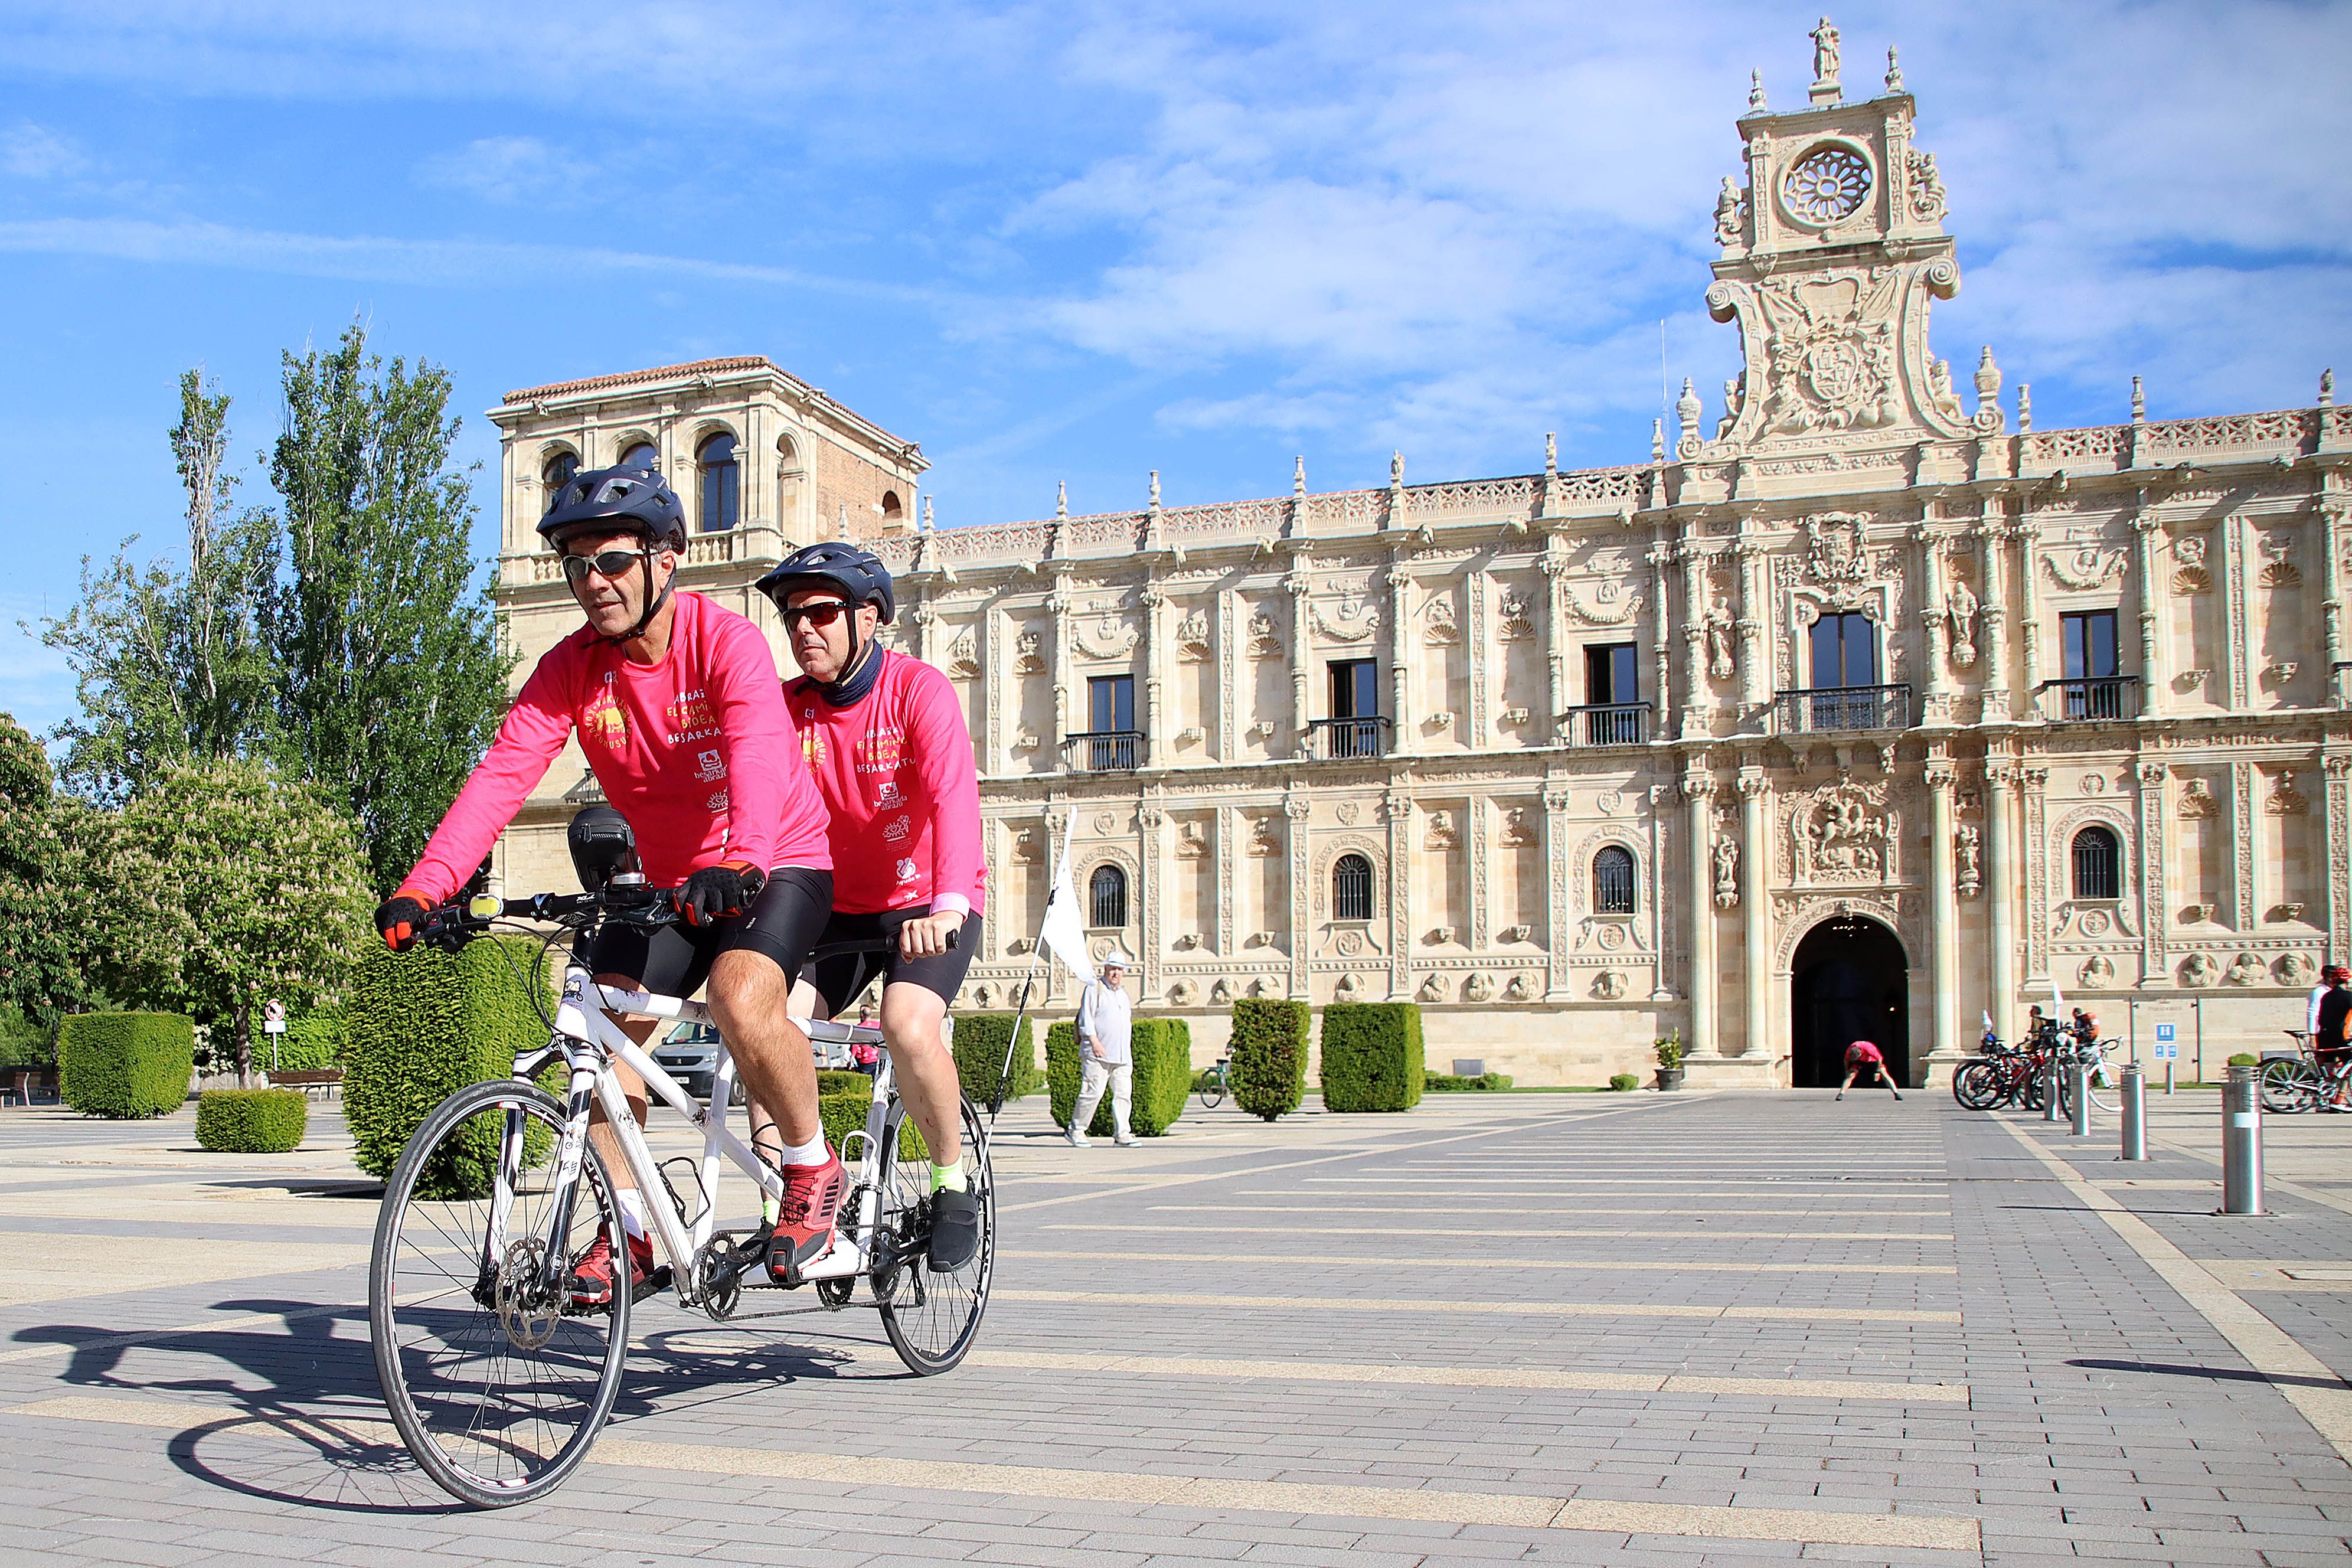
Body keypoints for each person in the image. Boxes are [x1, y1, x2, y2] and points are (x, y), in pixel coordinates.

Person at [374, 463, 845, 1304]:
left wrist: (740, 857)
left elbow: (760, 759)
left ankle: (812, 1165)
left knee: (742, 1000)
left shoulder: (725, 642)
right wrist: (429, 885)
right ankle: (631, 1230)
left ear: (668, 559)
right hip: (666, 881)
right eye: (577, 565)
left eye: (614, 561)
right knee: (594, 1042)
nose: (594, 582)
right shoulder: (573, 668)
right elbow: (502, 775)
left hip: (776, 860)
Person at [753, 542, 986, 1271]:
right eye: (792, 617)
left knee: (908, 1025)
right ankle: (789, 1197)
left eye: (821, 613)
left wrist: (947, 904)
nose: (803, 631)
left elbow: (953, 797)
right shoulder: (788, 710)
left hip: (925, 903)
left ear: (869, 618)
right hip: (837, 911)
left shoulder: (919, 690)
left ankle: (953, 1183)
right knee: (764, 1024)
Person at [1069, 953, 1135, 1146]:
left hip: (1122, 1055)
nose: (1116, 973)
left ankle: (1123, 1132)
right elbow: (1086, 1018)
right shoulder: (1094, 988)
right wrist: (1094, 1041)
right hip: (1098, 1054)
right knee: (1092, 1092)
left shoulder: (1123, 994)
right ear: (1105, 969)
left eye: (1119, 969)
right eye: (1113, 968)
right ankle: (1077, 1129)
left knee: (1123, 1094)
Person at [2316, 968, 2352, 1112]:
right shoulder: (2349, 997)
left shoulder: (2327, 996)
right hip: (2340, 1037)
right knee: (2348, 1065)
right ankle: (2339, 1100)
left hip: (2324, 1036)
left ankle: (2325, 1100)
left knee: (2329, 1070)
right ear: (2347, 981)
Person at [1835, 1038, 1901, 1101]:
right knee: (1851, 1076)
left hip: (1873, 1061)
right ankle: (1841, 1094)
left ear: (1860, 1054)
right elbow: (1846, 1061)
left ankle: (1896, 1093)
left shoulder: (1869, 1049)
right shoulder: (1850, 1050)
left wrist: (1877, 1072)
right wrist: (1847, 1070)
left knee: (1884, 1073)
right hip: (1860, 1062)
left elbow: (1879, 1059)